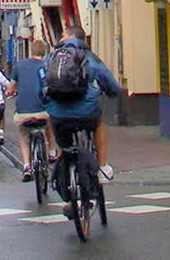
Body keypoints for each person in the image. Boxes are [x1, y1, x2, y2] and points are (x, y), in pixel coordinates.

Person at [41, 25, 123, 209]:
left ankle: (64, 178)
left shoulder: (51, 58)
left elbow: (42, 85)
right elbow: (112, 86)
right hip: (86, 114)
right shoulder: (90, 58)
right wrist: (111, 92)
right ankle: (102, 168)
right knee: (98, 122)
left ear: (68, 37)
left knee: (61, 138)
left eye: (63, 35)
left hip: (59, 115)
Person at [8, 39, 53, 181]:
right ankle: (52, 151)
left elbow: (11, 88)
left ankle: (27, 166)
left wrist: (10, 92)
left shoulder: (19, 66)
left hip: (23, 113)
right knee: (50, 123)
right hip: (43, 112)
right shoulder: (47, 66)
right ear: (44, 52)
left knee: (24, 135)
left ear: (31, 51)